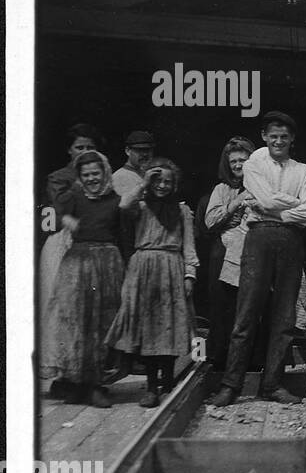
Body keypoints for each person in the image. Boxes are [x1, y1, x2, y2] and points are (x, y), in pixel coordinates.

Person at [211, 111, 306, 408]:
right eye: (274, 136)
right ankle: (231, 385)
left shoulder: (305, 171)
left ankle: (272, 384)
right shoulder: (255, 161)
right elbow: (268, 200)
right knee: (246, 313)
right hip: (257, 238)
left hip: (291, 240)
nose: (279, 141)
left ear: (292, 139)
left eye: (284, 136)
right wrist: (290, 203)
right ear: (264, 137)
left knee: (284, 316)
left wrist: (277, 207)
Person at [106, 159, 198, 408]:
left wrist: (190, 275)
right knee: (148, 330)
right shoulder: (141, 207)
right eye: (158, 180)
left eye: (168, 181)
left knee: (168, 328)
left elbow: (189, 246)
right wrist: (143, 184)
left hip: (171, 268)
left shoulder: (182, 211)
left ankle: (167, 382)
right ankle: (150, 387)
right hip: (143, 269)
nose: (163, 185)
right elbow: (123, 204)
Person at [49, 151, 126, 407]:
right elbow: (52, 213)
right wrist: (64, 218)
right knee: (76, 323)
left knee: (103, 324)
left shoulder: (116, 200)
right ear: (79, 177)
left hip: (108, 262)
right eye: (86, 175)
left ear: (104, 172)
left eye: (96, 173)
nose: (92, 178)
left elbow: (124, 234)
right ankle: (77, 383)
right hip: (78, 264)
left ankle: (96, 385)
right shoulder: (74, 196)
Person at [41, 124, 107, 394]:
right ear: (70, 150)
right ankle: (65, 375)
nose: (85, 152)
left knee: (90, 313)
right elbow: (62, 209)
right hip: (66, 243)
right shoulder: (60, 177)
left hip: (93, 243)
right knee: (65, 312)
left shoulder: (100, 173)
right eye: (80, 147)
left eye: (90, 147)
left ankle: (85, 375)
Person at [202, 137, 255, 371]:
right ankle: (217, 360)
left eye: (242, 159)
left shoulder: (260, 185)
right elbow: (210, 221)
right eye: (233, 160)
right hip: (223, 252)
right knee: (221, 305)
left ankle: (248, 362)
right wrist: (235, 204)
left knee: (248, 306)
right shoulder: (222, 189)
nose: (237, 164)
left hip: (252, 250)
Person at [112, 130, 156, 198]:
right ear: (128, 151)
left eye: (148, 150)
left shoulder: (149, 174)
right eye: (139, 150)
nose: (144, 154)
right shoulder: (119, 177)